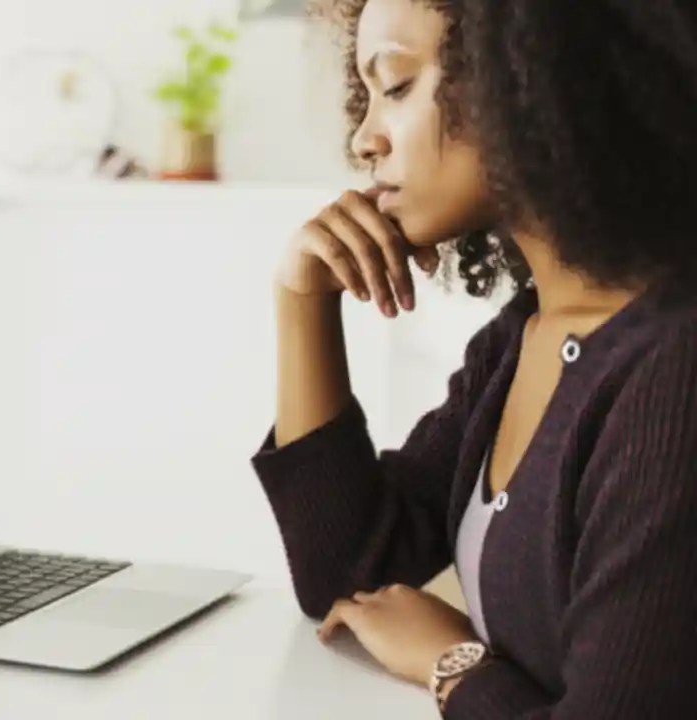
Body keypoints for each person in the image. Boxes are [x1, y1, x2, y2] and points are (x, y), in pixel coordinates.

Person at [251, 0, 697, 716]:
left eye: (395, 85)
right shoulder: (525, 334)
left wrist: (450, 665)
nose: (364, 139)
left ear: (524, 78)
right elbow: (349, 573)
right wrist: (302, 298)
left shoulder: (673, 370)